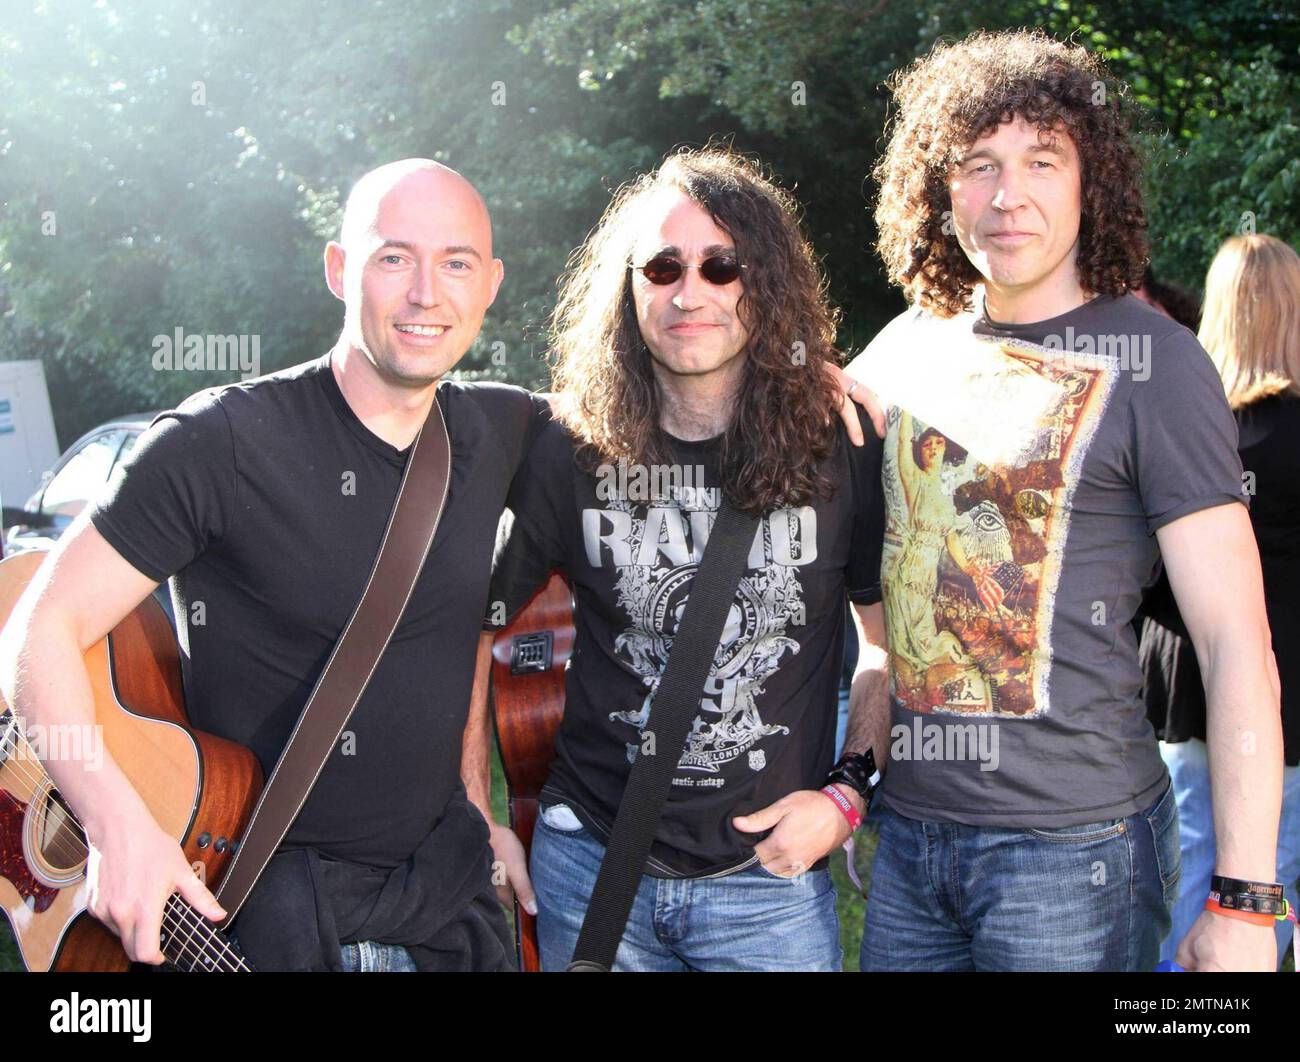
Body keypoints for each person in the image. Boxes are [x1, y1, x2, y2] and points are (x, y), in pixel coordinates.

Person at [0, 159, 549, 971]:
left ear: (491, 282)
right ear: (339, 269)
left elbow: (677, 410)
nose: (427, 292)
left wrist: (800, 385)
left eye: (456, 262)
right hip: (260, 915)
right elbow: (36, 630)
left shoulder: (503, 432)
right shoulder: (220, 443)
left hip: (443, 912)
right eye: (394, 257)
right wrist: (116, 826)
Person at [847, 30, 1283, 972]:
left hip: (1072, 855)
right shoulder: (908, 346)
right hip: (911, 841)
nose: (1009, 196)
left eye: (1043, 160)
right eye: (978, 164)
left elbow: (1234, 637)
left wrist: (1246, 899)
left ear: (1092, 181)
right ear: (940, 187)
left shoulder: (1158, 363)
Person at [466, 148, 890, 971]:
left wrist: (847, 795)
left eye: (721, 266)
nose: (688, 292)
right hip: (591, 866)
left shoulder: (840, 447)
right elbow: (465, 632)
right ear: (629, 289)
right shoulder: (570, 450)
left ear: (763, 284)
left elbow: (882, 643)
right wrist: (473, 813)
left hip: (767, 885)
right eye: (662, 266)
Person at [1142, 234, 1300, 968]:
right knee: (1270, 869)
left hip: (1182, 680)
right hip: (1285, 690)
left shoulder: (1183, 423)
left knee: (1190, 854)